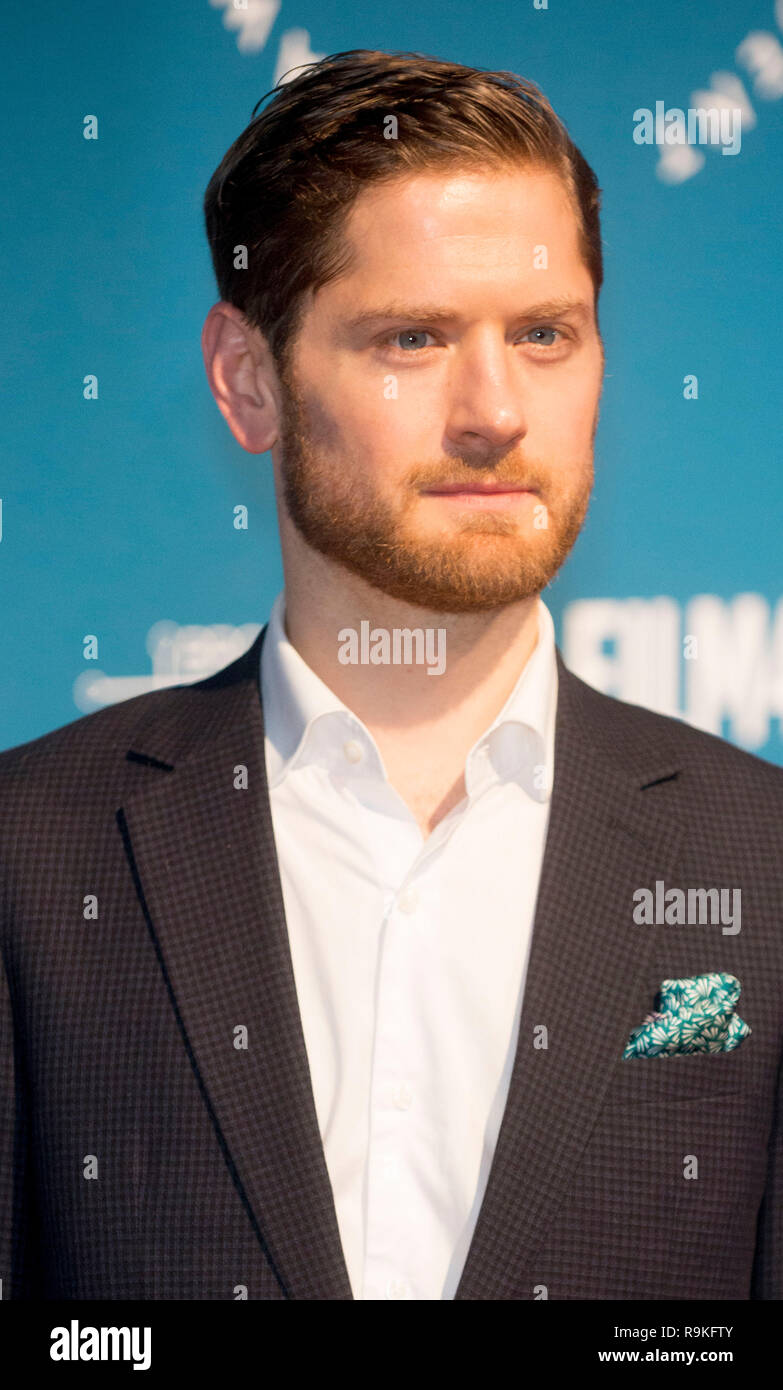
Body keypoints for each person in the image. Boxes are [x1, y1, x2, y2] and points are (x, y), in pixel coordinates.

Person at [1, 48, 781, 1302]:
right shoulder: (32, 855)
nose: (495, 412)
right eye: (413, 337)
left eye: (543, 334)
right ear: (248, 379)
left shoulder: (764, 864)